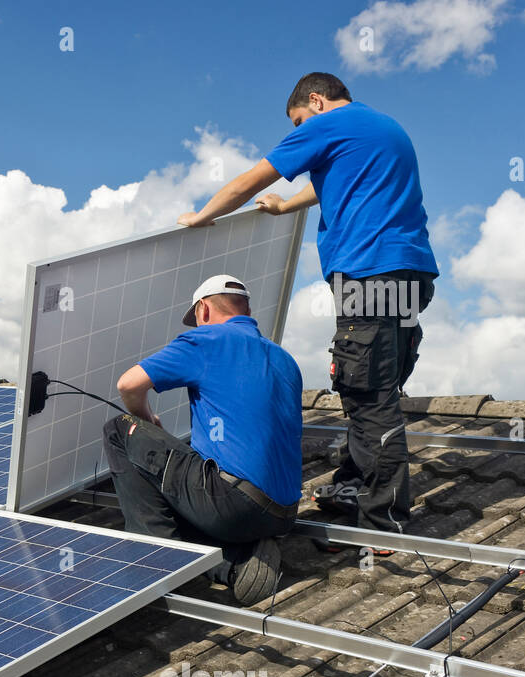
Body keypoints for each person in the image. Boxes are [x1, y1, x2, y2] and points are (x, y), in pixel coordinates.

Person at [176, 72, 437, 537]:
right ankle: (353, 487)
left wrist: (202, 215)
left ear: (316, 101)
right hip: (410, 276)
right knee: (373, 390)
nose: (299, 133)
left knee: (368, 398)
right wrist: (287, 207)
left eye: (298, 121)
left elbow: (251, 179)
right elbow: (330, 184)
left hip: (369, 277)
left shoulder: (327, 124)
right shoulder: (384, 128)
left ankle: (384, 527)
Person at [104, 274, 303, 605]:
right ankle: (235, 562)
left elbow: (129, 385)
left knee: (119, 429)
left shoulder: (206, 339)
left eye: (196, 318)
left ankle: (155, 556)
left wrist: (146, 420)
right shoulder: (285, 360)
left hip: (232, 506)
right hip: (281, 514)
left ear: (205, 310)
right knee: (174, 496)